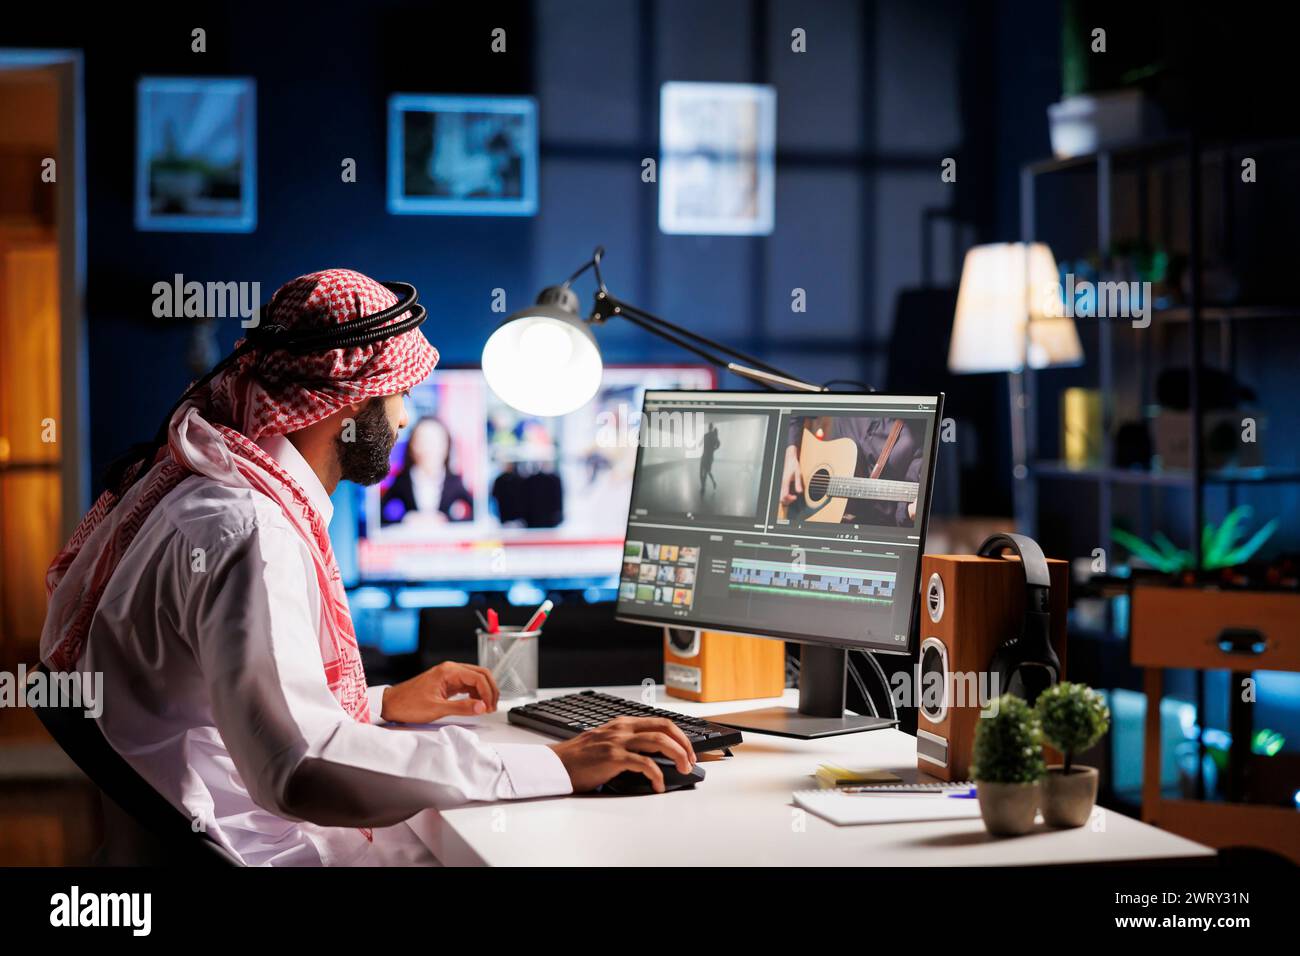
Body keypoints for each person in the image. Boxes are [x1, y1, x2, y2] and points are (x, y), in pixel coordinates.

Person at [40, 269, 694, 866]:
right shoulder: (248, 529)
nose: (407, 418)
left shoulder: (210, 492)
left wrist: (381, 703)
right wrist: (554, 765)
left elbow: (232, 711)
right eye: (401, 395)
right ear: (347, 405)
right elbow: (300, 770)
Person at [779, 415, 923, 526]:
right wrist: (790, 453)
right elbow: (795, 411)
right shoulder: (853, 401)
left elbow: (901, 515)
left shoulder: (919, 441)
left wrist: (910, 513)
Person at [380, 415, 474, 525]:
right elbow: (378, 516)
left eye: (435, 441)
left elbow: (477, 514)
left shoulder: (454, 481)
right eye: (422, 441)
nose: (428, 448)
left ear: (447, 445)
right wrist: (405, 520)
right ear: (411, 446)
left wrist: (447, 520)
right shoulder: (402, 481)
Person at [698, 422, 720, 496]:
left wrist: (713, 448)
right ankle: (707, 485)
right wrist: (714, 449)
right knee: (706, 471)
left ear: (708, 427)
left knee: (703, 472)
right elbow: (718, 444)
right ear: (712, 427)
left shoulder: (707, 435)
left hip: (705, 456)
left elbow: (699, 444)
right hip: (708, 457)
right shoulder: (713, 436)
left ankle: (704, 487)